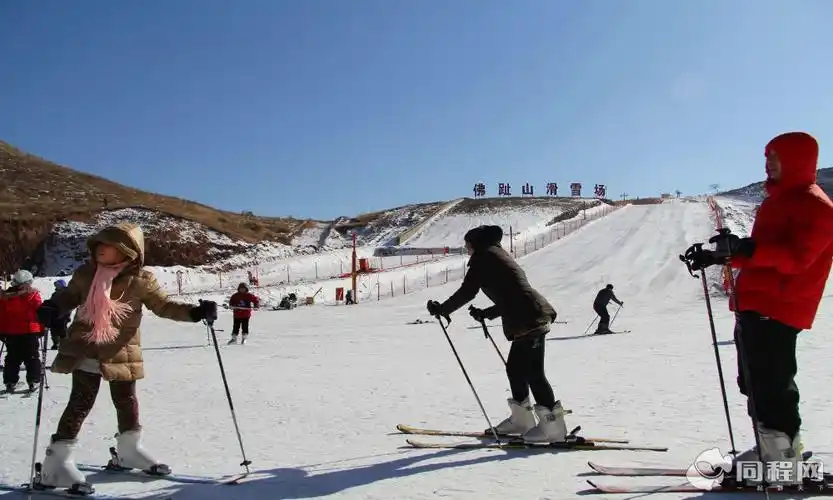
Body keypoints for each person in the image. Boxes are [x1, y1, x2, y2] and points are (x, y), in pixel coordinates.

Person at [688, 131, 833, 485]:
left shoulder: (816, 205)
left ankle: (784, 456)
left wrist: (748, 251)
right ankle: (771, 446)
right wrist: (721, 255)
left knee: (773, 382)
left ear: (798, 159)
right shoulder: (776, 203)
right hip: (755, 303)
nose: (769, 163)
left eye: (776, 157)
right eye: (767, 156)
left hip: (780, 304)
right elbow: (762, 252)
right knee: (752, 381)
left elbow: (797, 259)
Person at [34, 223, 219, 492]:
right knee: (80, 402)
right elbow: (69, 296)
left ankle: (129, 450)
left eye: (108, 245)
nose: (100, 249)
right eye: (98, 244)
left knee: (127, 400)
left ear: (127, 251)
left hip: (123, 350)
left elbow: (164, 306)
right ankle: (56, 464)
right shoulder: (87, 274)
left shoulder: (141, 280)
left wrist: (195, 313)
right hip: (87, 346)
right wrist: (53, 306)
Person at [426, 225, 565, 444]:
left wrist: (442, 309)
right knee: (516, 370)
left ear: (475, 243)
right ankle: (522, 420)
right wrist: (486, 313)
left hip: (530, 318)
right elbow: (511, 295)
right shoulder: (495, 255)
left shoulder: (484, 257)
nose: (466, 248)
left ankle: (553, 428)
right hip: (527, 317)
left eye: (467, 243)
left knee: (533, 373)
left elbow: (468, 291)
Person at [0, 269, 44, 393]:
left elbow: (2, 316)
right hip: (30, 331)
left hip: (11, 332)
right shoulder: (33, 295)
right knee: (32, 357)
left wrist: (1, 331)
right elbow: (39, 312)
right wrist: (41, 328)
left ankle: (10, 381)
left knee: (12, 358)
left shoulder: (5, 297)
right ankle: (33, 380)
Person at [48, 279, 73, 350]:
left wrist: (67, 313)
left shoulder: (67, 293)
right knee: (53, 330)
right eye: (56, 285)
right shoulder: (54, 294)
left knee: (63, 330)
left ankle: (65, 344)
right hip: (54, 315)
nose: (57, 286)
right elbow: (51, 302)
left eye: (58, 285)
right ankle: (56, 343)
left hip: (64, 315)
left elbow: (70, 304)